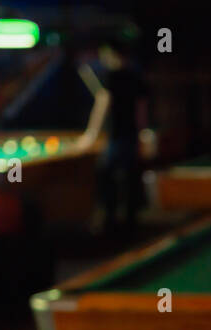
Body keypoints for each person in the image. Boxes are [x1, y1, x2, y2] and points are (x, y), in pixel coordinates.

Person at [77, 43, 147, 233]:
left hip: (115, 136)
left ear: (113, 55)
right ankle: (131, 221)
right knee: (130, 175)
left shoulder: (112, 76)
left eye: (105, 55)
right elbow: (141, 109)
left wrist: (91, 134)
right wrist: (142, 135)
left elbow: (103, 103)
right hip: (131, 135)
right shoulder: (135, 75)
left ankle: (110, 220)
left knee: (106, 174)